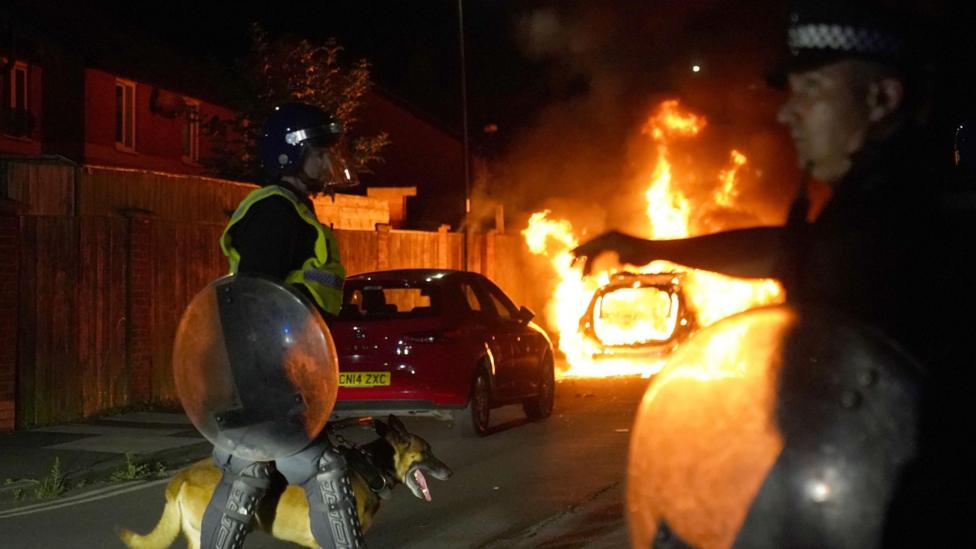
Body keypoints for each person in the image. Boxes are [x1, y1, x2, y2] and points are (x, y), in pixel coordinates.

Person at [573, 1, 975, 546]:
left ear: (882, 98)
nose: (787, 113)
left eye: (810, 91)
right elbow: (785, 251)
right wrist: (647, 248)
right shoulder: (872, 205)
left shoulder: (913, 225)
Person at [199, 102, 365, 549]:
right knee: (318, 468)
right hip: (267, 374)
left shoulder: (291, 210)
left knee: (247, 471)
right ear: (292, 156)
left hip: (277, 371)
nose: (329, 162)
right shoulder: (276, 213)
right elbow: (255, 301)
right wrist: (267, 383)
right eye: (320, 152)